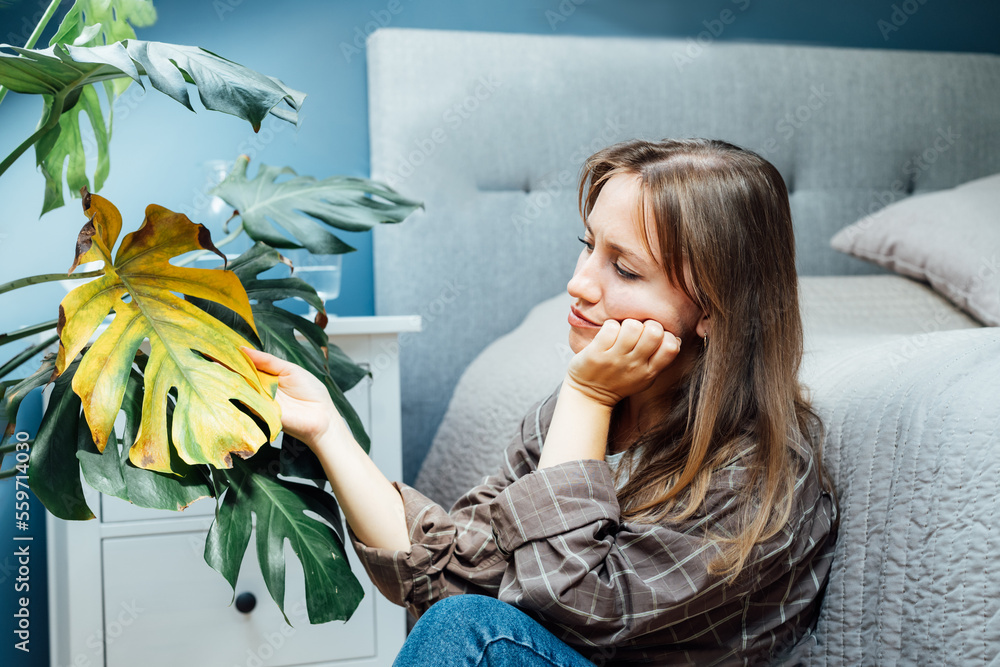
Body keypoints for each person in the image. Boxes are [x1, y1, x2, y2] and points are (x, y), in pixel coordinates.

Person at [242, 138, 839, 666]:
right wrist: (326, 430)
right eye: (588, 247)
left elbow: (556, 604)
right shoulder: (577, 418)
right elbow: (447, 574)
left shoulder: (761, 479)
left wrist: (588, 392)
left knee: (470, 632)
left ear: (711, 309)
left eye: (625, 269)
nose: (580, 283)